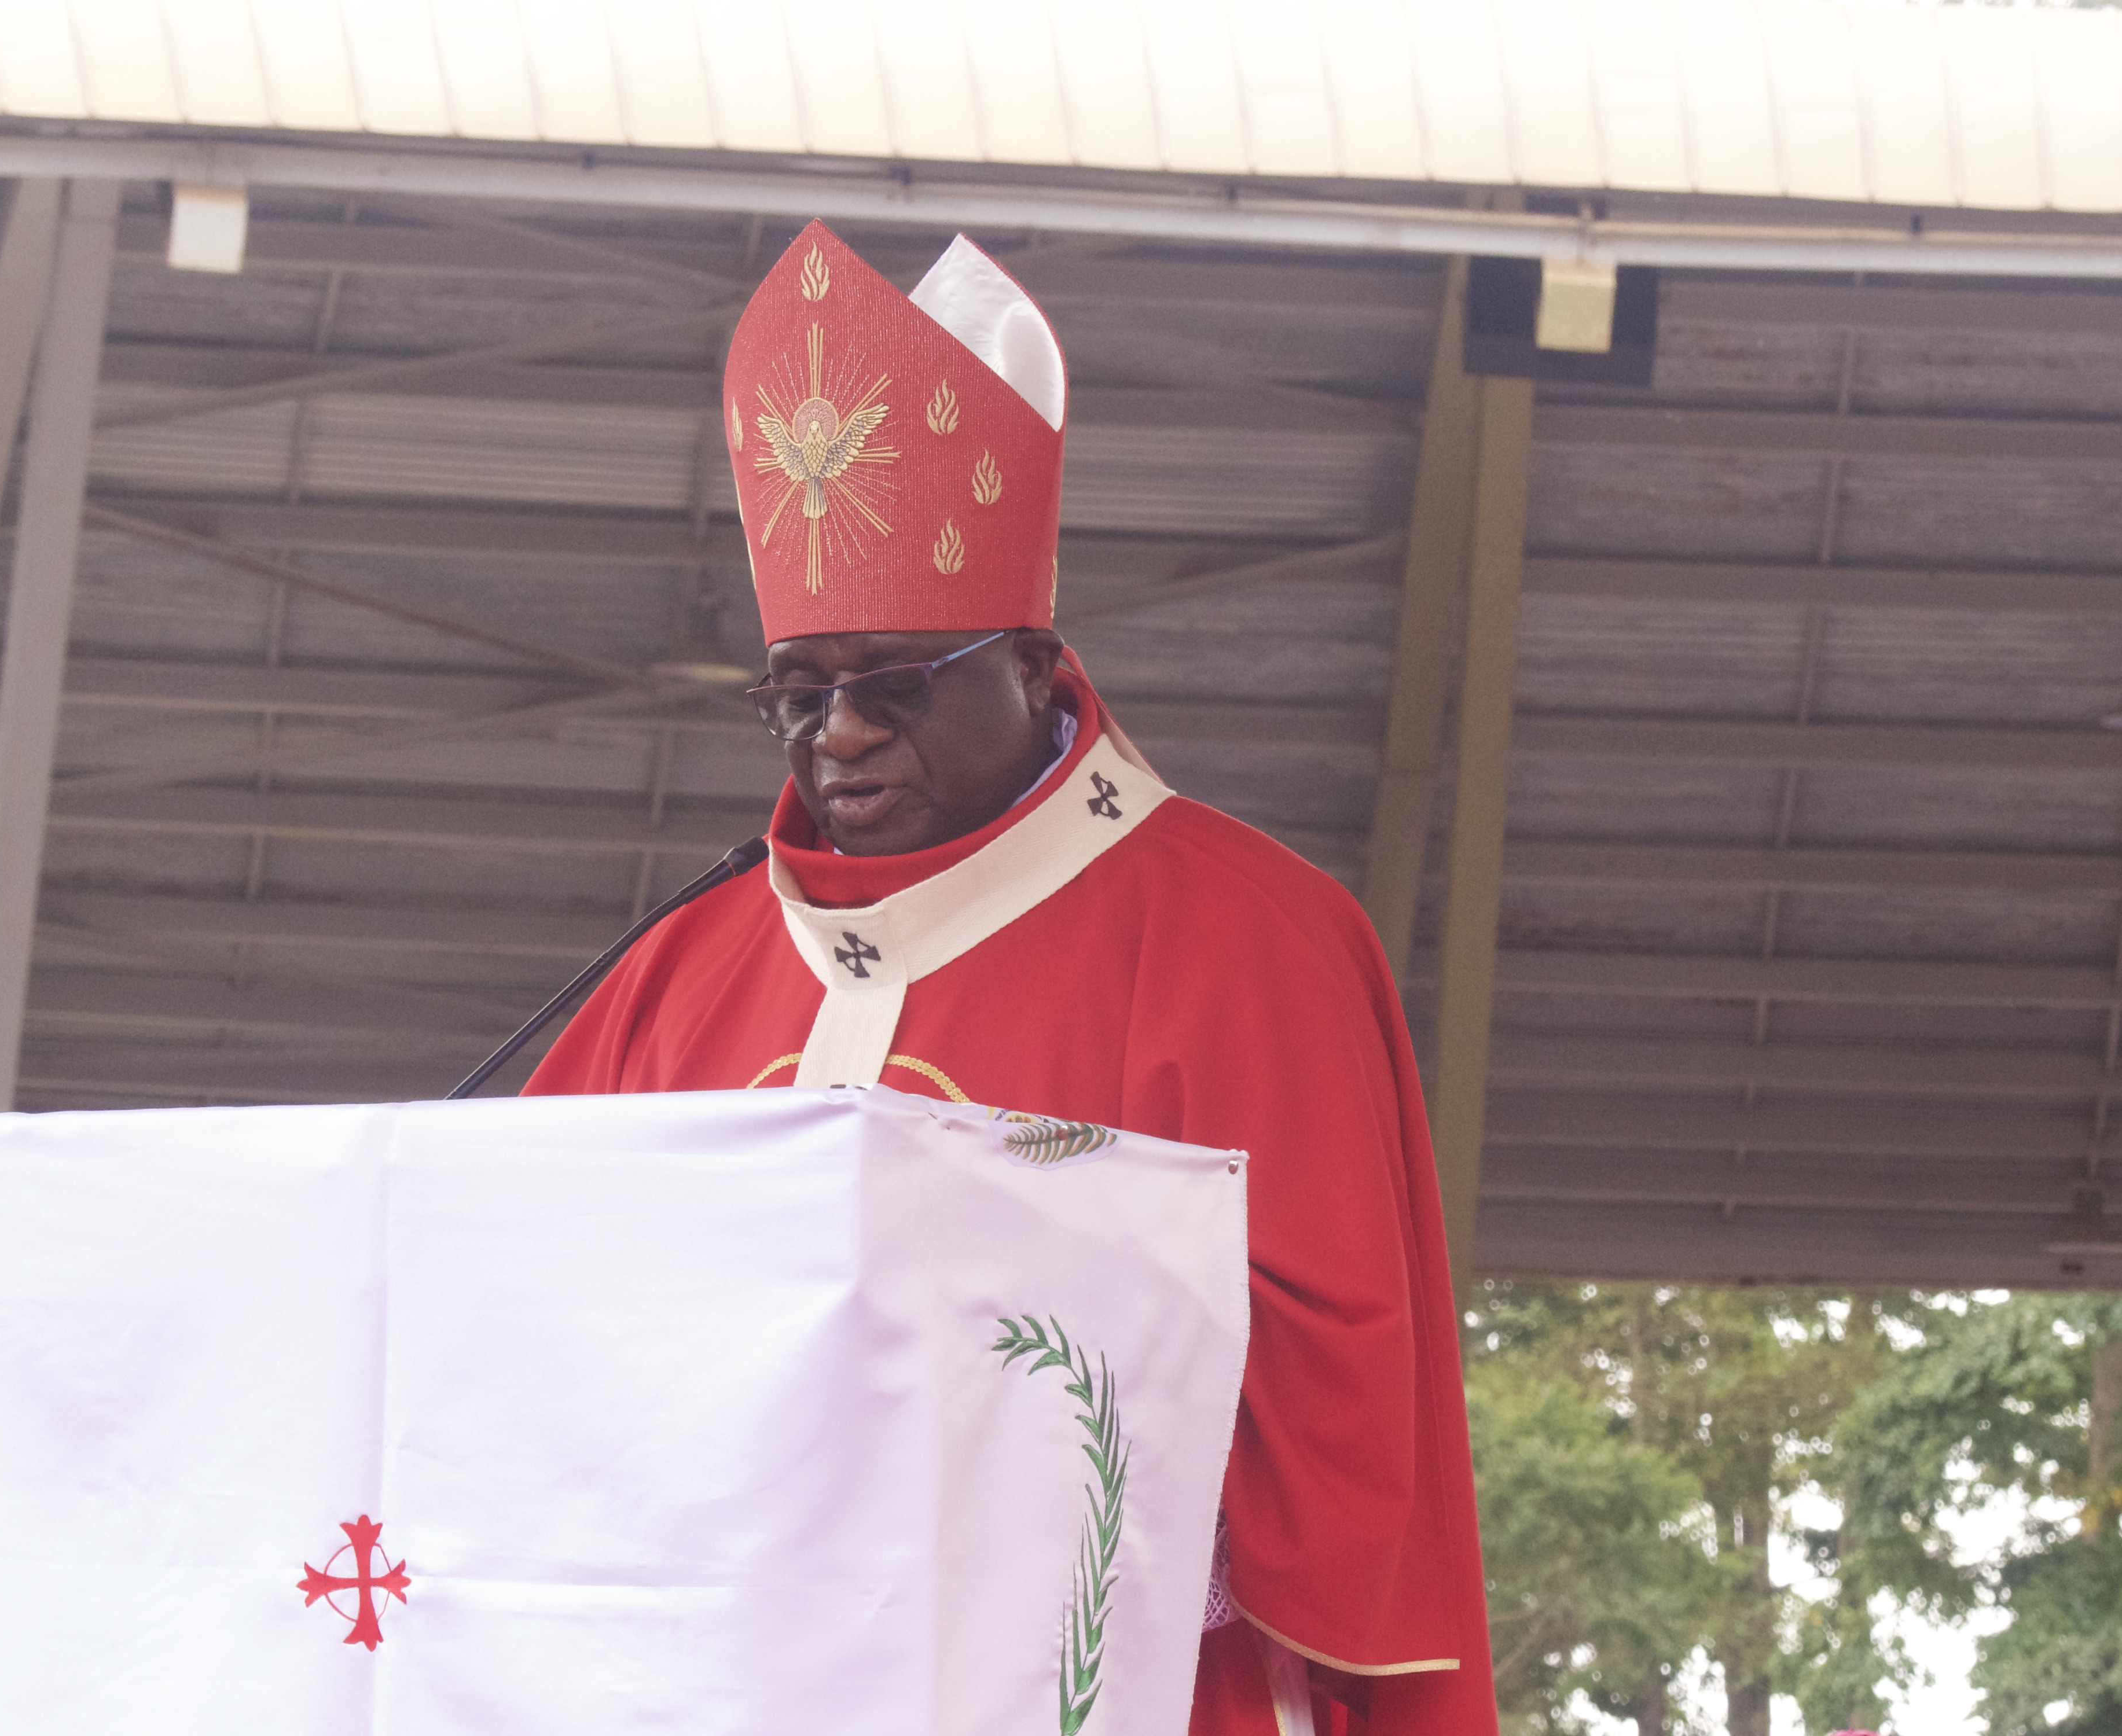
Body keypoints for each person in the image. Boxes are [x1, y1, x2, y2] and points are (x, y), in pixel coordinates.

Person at [525, 221, 1497, 1736]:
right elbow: (509, 1320)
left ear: (1036, 668)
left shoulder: (1250, 939)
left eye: (895, 685)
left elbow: (1346, 1408)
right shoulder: (676, 972)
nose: (841, 736)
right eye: (800, 695)